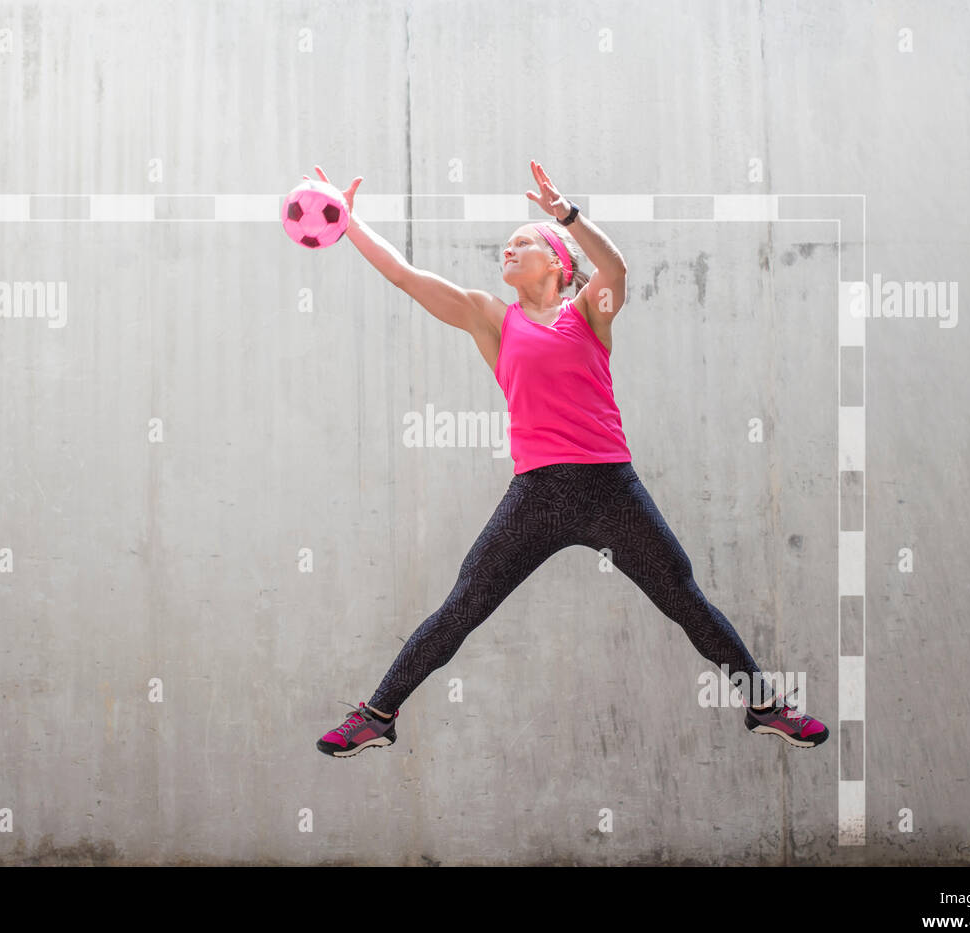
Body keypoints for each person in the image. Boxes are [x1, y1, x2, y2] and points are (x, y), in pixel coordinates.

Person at [311, 161, 829, 757]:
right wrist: (346, 223)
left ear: (557, 262)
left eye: (523, 243)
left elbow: (616, 268)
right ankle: (377, 715)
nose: (508, 248)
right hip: (536, 495)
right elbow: (404, 276)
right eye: (506, 245)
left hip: (611, 489)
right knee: (463, 606)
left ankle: (764, 706)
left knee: (683, 598)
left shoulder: (587, 313)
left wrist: (567, 215)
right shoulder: (491, 320)